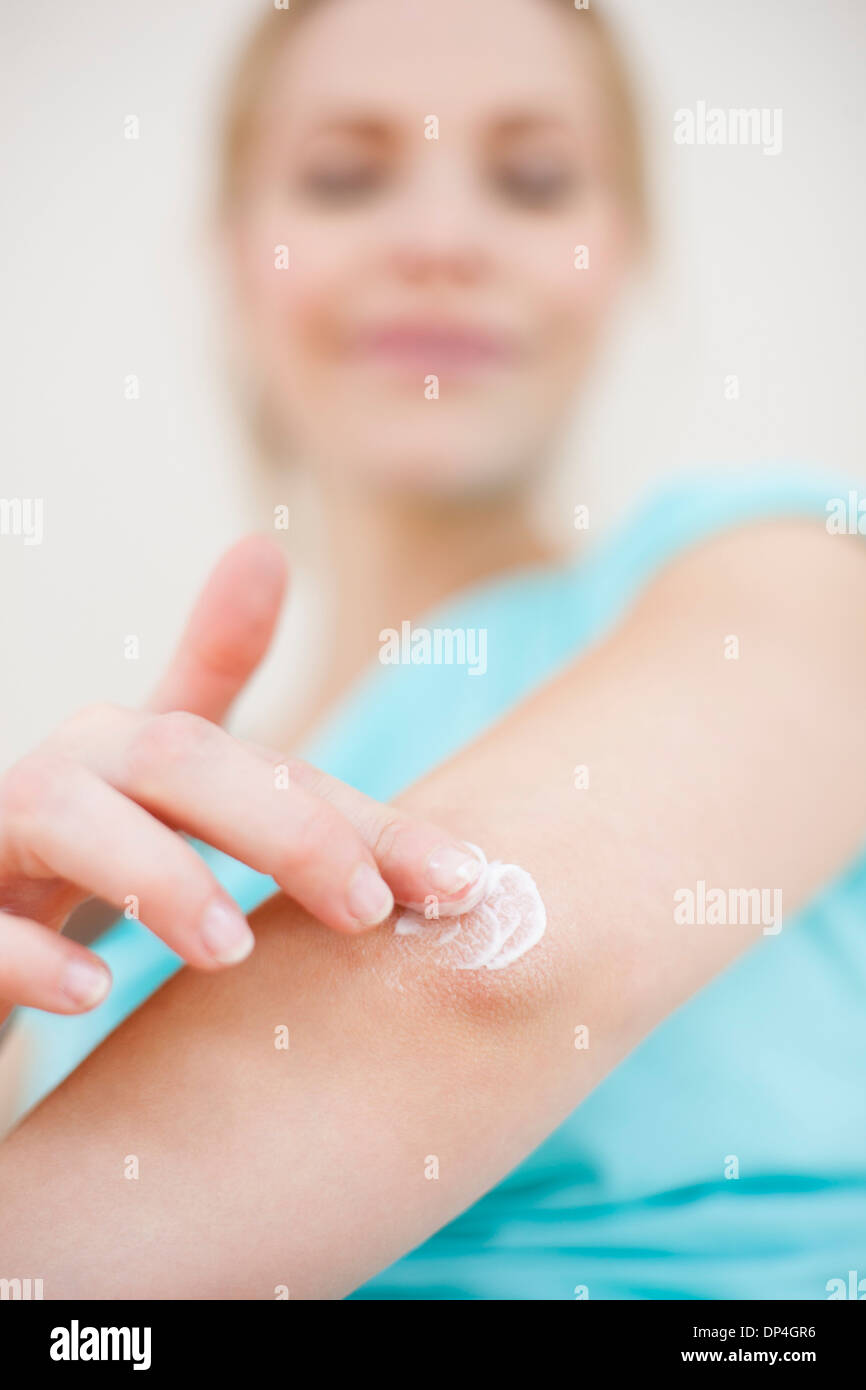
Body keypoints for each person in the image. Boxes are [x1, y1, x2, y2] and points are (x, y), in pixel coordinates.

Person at [0, 0, 864, 1300]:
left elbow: (480, 978)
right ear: (239, 255)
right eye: (346, 178)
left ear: (616, 251)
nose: (439, 240)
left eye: (530, 180)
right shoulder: (109, 857)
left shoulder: (792, 565)